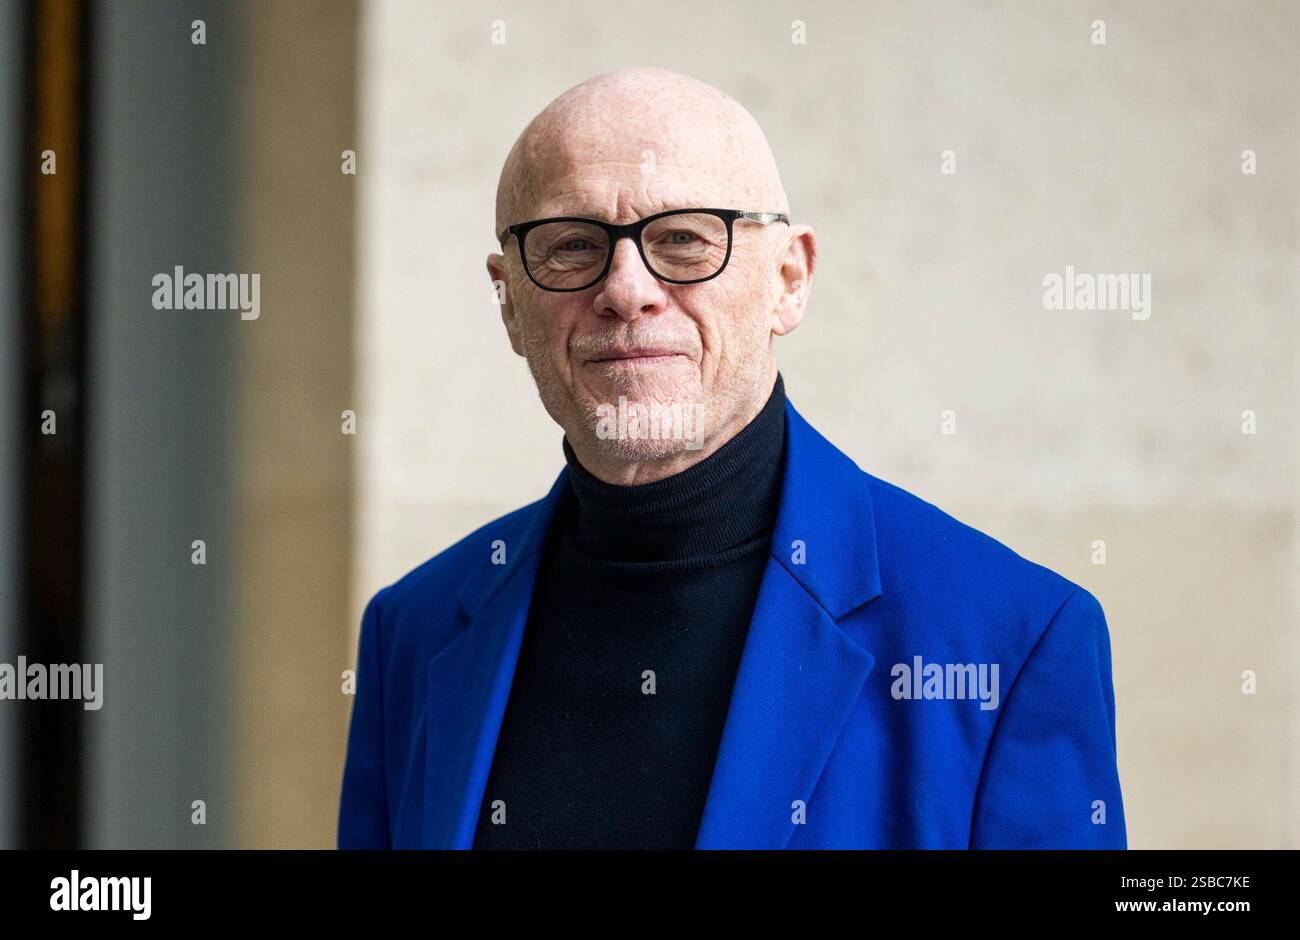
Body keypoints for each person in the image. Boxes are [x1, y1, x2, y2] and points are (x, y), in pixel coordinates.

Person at [338, 67, 1126, 849]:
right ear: (508, 300)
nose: (628, 290)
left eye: (683, 239)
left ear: (790, 278)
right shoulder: (411, 633)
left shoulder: (1008, 641)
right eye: (572, 245)